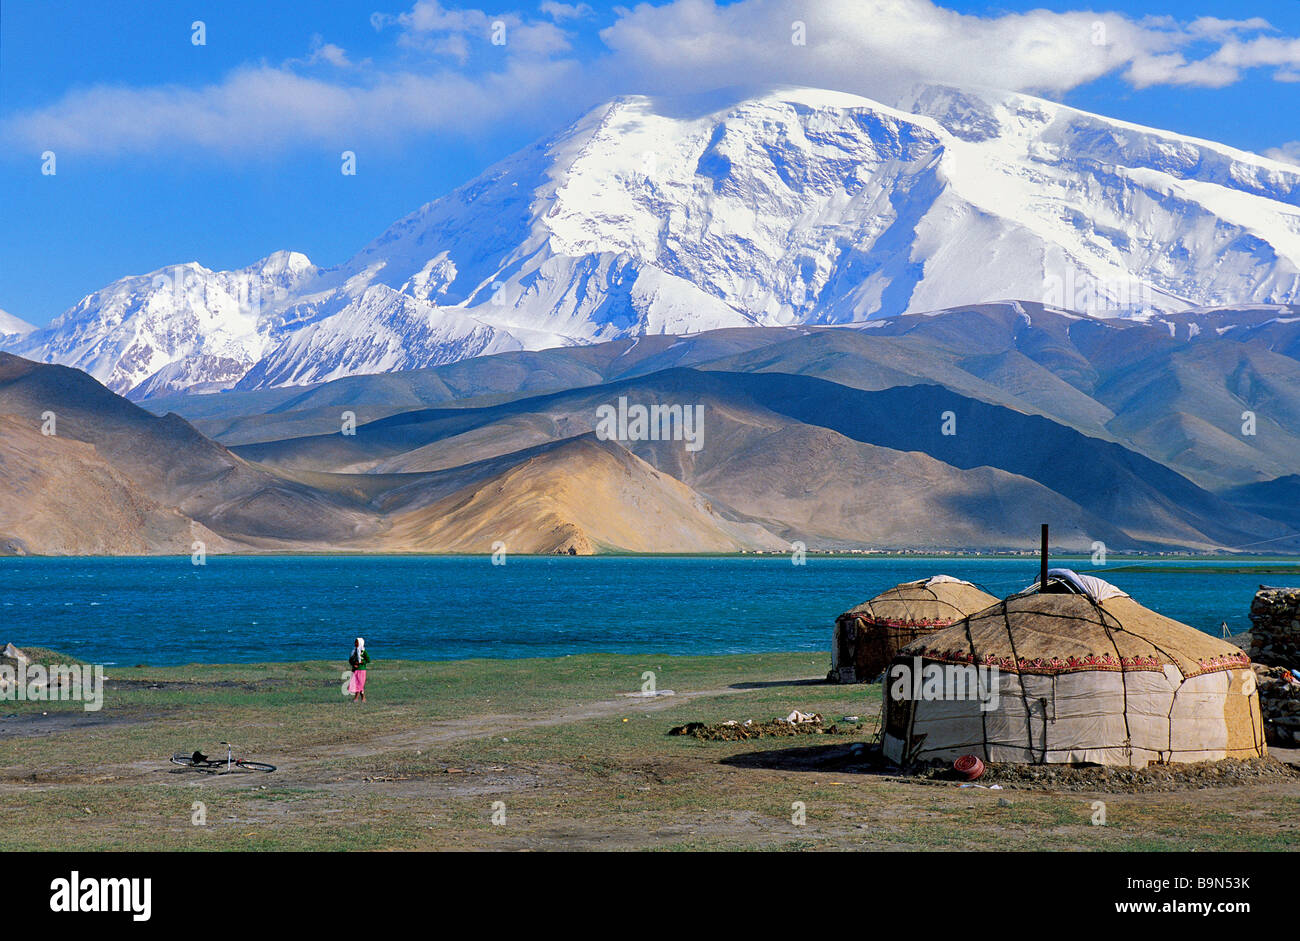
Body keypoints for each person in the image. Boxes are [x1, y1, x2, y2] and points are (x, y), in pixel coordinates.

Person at [348, 637, 371, 703]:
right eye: (355, 642)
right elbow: (350, 660)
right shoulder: (354, 651)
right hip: (356, 670)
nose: (355, 643)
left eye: (357, 642)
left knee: (360, 684)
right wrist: (353, 664)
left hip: (362, 670)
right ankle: (363, 698)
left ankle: (356, 698)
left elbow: (368, 660)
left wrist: (361, 662)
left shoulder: (363, 651)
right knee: (357, 684)